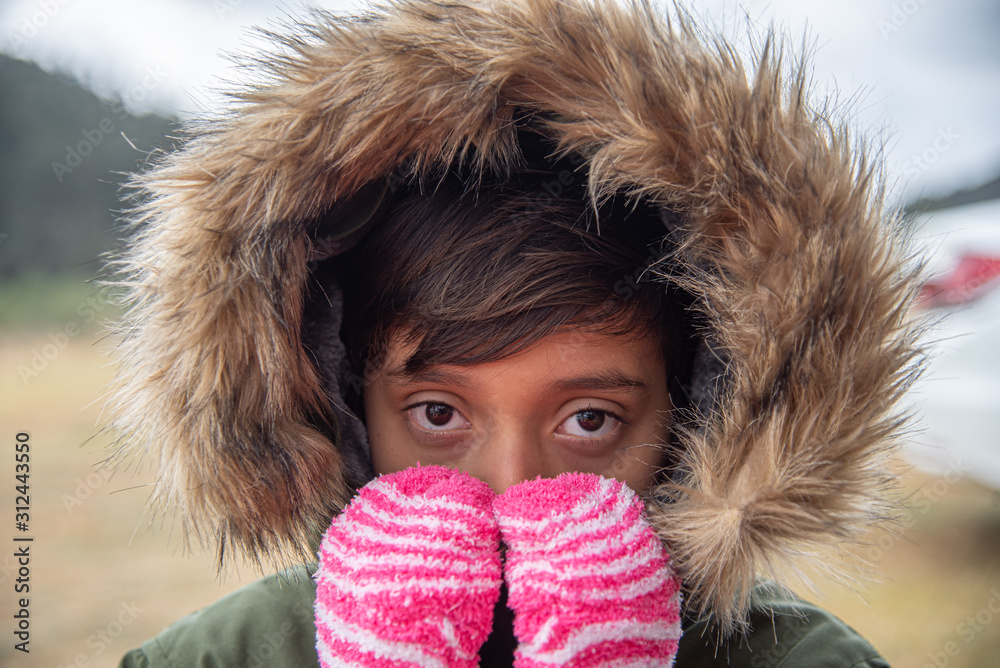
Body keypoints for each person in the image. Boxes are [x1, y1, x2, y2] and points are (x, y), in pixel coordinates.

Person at [108, 0, 924, 665]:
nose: (509, 491)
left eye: (590, 421)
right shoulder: (229, 656)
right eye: (437, 413)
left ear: (699, 420)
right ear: (345, 408)